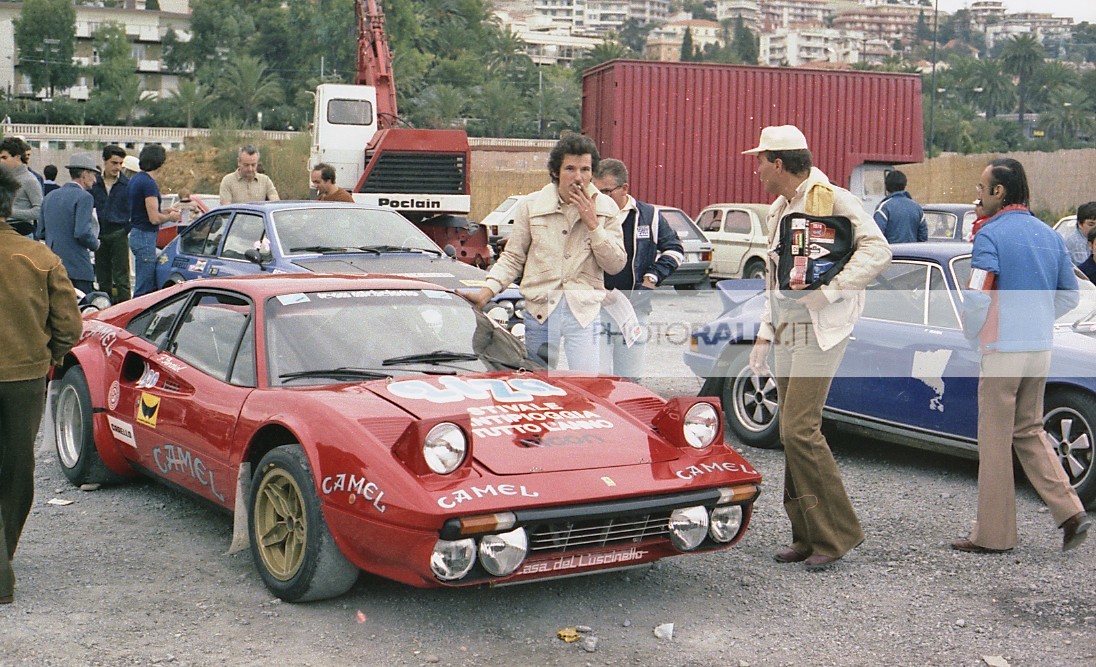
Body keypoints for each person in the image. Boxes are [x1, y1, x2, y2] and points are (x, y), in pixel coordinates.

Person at [743, 125, 891, 570]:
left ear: (780, 164)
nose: (757, 169)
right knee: (791, 432)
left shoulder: (832, 198)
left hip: (822, 326)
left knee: (798, 430)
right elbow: (776, 280)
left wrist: (830, 293)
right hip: (789, 324)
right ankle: (806, 535)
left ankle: (837, 534)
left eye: (761, 161)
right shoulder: (778, 209)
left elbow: (877, 251)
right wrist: (765, 333)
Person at [954, 158, 1091, 555]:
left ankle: (993, 536)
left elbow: (979, 296)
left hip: (1001, 352)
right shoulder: (1049, 236)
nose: (978, 196)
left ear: (1000, 192)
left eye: (983, 189)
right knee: (1029, 431)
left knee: (994, 442)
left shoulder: (990, 235)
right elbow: (1069, 295)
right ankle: (1070, 511)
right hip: (1039, 349)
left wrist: (969, 332)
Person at [469, 133, 626, 371]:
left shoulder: (606, 208)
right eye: (570, 168)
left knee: (586, 384)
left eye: (585, 169)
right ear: (555, 172)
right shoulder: (532, 206)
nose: (578, 177)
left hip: (584, 310)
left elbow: (616, 264)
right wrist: (486, 291)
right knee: (538, 382)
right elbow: (512, 258)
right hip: (540, 309)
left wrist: (593, 225)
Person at [0, 167, 83, 605]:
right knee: (16, 470)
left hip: (25, 372)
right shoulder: (40, 258)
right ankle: (3, 560)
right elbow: (70, 328)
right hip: (25, 379)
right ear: (10, 206)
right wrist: (45, 357)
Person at [592, 158, 683, 381]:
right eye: (596, 192)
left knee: (630, 379)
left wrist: (651, 278)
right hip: (596, 308)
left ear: (624, 189)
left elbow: (675, 250)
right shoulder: (591, 216)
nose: (600, 198)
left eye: (606, 191)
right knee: (598, 380)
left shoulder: (649, 216)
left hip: (634, 309)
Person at [37, 153, 101, 295]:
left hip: (53, 265)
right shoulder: (84, 197)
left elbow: (40, 232)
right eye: (93, 175)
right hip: (78, 267)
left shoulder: (49, 196)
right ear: (84, 174)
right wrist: (96, 244)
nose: (95, 180)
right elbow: (82, 232)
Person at [128, 144, 181, 298]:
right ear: (159, 163)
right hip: (145, 237)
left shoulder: (136, 180)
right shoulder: (149, 184)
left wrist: (165, 211)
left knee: (142, 282)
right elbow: (154, 218)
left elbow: (144, 212)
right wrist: (170, 217)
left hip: (137, 234)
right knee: (144, 288)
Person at [90, 145, 132, 302]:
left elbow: (133, 211)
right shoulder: (95, 183)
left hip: (119, 233)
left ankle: (125, 310)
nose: (118, 167)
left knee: (122, 278)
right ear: (105, 162)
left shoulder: (126, 185)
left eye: (120, 164)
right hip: (100, 235)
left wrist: (125, 230)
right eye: (114, 163)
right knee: (102, 277)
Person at [0, 137, 42, 237]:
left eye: (4, 158)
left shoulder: (29, 180)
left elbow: (39, 210)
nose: (1, 161)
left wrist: (7, 212)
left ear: (17, 157)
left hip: (21, 232)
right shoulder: (4, 178)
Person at [873, 170, 926, 244]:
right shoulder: (917, 207)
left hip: (892, 253)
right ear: (904, 185)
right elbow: (923, 237)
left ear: (887, 186)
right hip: (913, 253)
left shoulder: (883, 208)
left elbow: (876, 236)